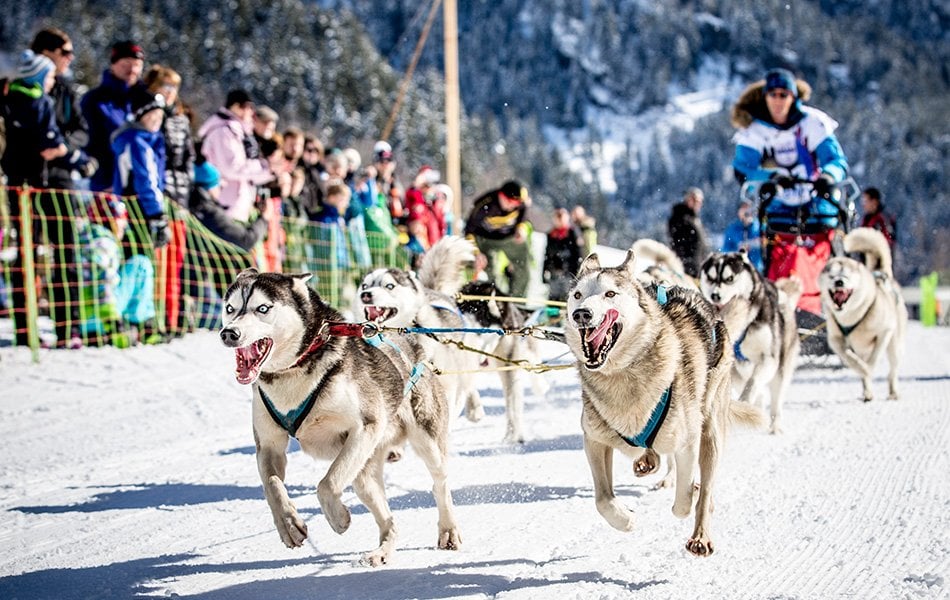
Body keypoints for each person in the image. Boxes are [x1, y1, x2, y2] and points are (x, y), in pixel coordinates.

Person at [0, 50, 69, 345]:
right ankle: (49, 325)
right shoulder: (41, 103)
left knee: (20, 257)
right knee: (40, 252)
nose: (53, 82)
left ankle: (23, 328)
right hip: (35, 188)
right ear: (40, 76)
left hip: (12, 186)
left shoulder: (5, 101)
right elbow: (50, 142)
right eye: (51, 76)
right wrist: (69, 153)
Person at [30, 27, 96, 190]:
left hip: (60, 176)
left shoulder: (65, 90)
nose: (70, 57)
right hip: (23, 175)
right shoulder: (15, 88)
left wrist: (64, 147)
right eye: (65, 52)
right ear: (46, 52)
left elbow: (82, 130)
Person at [197, 89, 275, 222]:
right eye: (247, 106)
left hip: (233, 204)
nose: (250, 111)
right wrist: (264, 167)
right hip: (222, 203)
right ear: (235, 106)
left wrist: (269, 172)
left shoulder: (237, 131)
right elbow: (232, 168)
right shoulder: (223, 131)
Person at [81, 40, 146, 192]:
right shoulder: (96, 100)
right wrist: (102, 178)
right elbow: (91, 142)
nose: (132, 70)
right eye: (126, 65)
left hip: (143, 185)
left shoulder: (146, 100)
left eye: (136, 65)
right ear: (113, 65)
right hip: (108, 183)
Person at [111, 86, 170, 249]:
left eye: (159, 115)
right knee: (139, 252)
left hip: (138, 205)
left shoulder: (151, 140)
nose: (157, 120)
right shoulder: (137, 142)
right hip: (138, 206)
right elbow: (145, 179)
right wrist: (157, 214)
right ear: (141, 116)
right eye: (152, 115)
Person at [464, 179, 532, 298]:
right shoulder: (484, 205)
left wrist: (521, 229)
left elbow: (524, 218)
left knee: (522, 265)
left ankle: (517, 302)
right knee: (489, 270)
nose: (513, 206)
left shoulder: (520, 202)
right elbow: (469, 231)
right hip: (485, 239)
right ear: (501, 196)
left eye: (516, 203)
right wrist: (476, 253)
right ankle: (493, 298)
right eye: (510, 202)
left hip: (509, 238)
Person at [667, 186, 709, 278]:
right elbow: (678, 244)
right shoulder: (679, 217)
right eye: (694, 200)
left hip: (697, 270)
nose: (697, 204)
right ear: (688, 199)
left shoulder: (695, 219)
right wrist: (687, 265)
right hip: (684, 271)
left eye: (699, 201)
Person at [543, 207, 584, 302]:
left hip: (569, 273)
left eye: (561, 216)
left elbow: (578, 254)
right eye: (557, 217)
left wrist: (577, 273)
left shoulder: (573, 233)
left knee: (568, 298)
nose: (559, 219)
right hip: (554, 273)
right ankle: (552, 315)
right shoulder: (551, 235)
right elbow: (547, 255)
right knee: (553, 298)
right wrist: (544, 270)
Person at [722, 198, 764, 272]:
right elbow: (725, 250)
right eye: (743, 208)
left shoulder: (759, 227)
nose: (746, 211)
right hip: (737, 270)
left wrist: (754, 245)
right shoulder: (732, 229)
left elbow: (766, 244)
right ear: (739, 211)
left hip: (756, 270)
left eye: (748, 208)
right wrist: (738, 250)